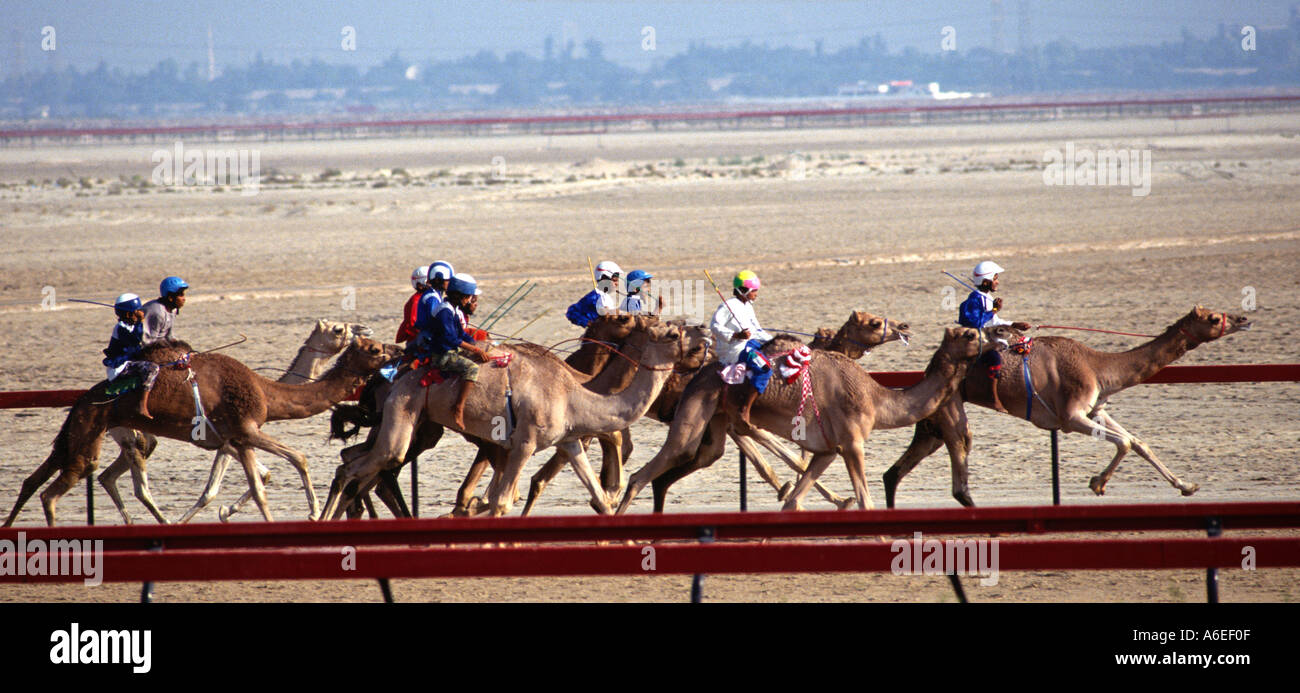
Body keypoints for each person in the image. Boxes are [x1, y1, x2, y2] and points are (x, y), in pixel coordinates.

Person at [417, 273, 491, 431]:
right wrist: (475, 349)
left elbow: (461, 334)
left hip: (452, 350)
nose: (468, 301)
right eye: (467, 297)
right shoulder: (444, 311)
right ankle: (458, 407)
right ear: (458, 296)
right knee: (472, 368)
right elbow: (451, 339)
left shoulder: (452, 308)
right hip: (442, 355)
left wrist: (480, 344)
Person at [958, 260, 1032, 413]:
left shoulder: (987, 298)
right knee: (994, 358)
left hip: (989, 334)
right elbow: (975, 322)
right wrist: (993, 310)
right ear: (986, 282)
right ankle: (992, 397)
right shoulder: (974, 300)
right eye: (995, 279)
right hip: (978, 339)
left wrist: (1015, 324)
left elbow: (995, 321)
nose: (997, 282)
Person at [710, 270, 773, 427]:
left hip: (750, 343)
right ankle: (745, 409)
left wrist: (774, 341)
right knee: (765, 368)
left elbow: (757, 330)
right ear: (743, 290)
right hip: (736, 349)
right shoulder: (728, 306)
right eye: (754, 291)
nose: (756, 294)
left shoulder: (748, 306)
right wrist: (736, 335)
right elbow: (714, 326)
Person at [102, 293, 161, 419]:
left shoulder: (130, 326)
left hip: (129, 362)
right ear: (129, 314)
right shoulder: (121, 328)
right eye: (137, 312)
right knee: (152, 368)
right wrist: (141, 322)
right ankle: (142, 406)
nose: (141, 313)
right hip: (120, 367)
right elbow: (135, 340)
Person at [566, 260, 622, 327]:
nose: (617, 283)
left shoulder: (612, 296)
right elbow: (572, 312)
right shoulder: (594, 297)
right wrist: (589, 323)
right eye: (615, 280)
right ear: (604, 279)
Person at [141, 275, 188, 346]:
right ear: (170, 298)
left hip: (160, 346)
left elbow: (168, 336)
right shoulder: (157, 312)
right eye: (181, 295)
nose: (184, 299)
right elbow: (148, 341)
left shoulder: (173, 310)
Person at [396, 265, 430, 344]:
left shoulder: (428, 298)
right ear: (420, 285)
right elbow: (413, 323)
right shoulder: (417, 300)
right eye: (429, 282)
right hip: (418, 341)